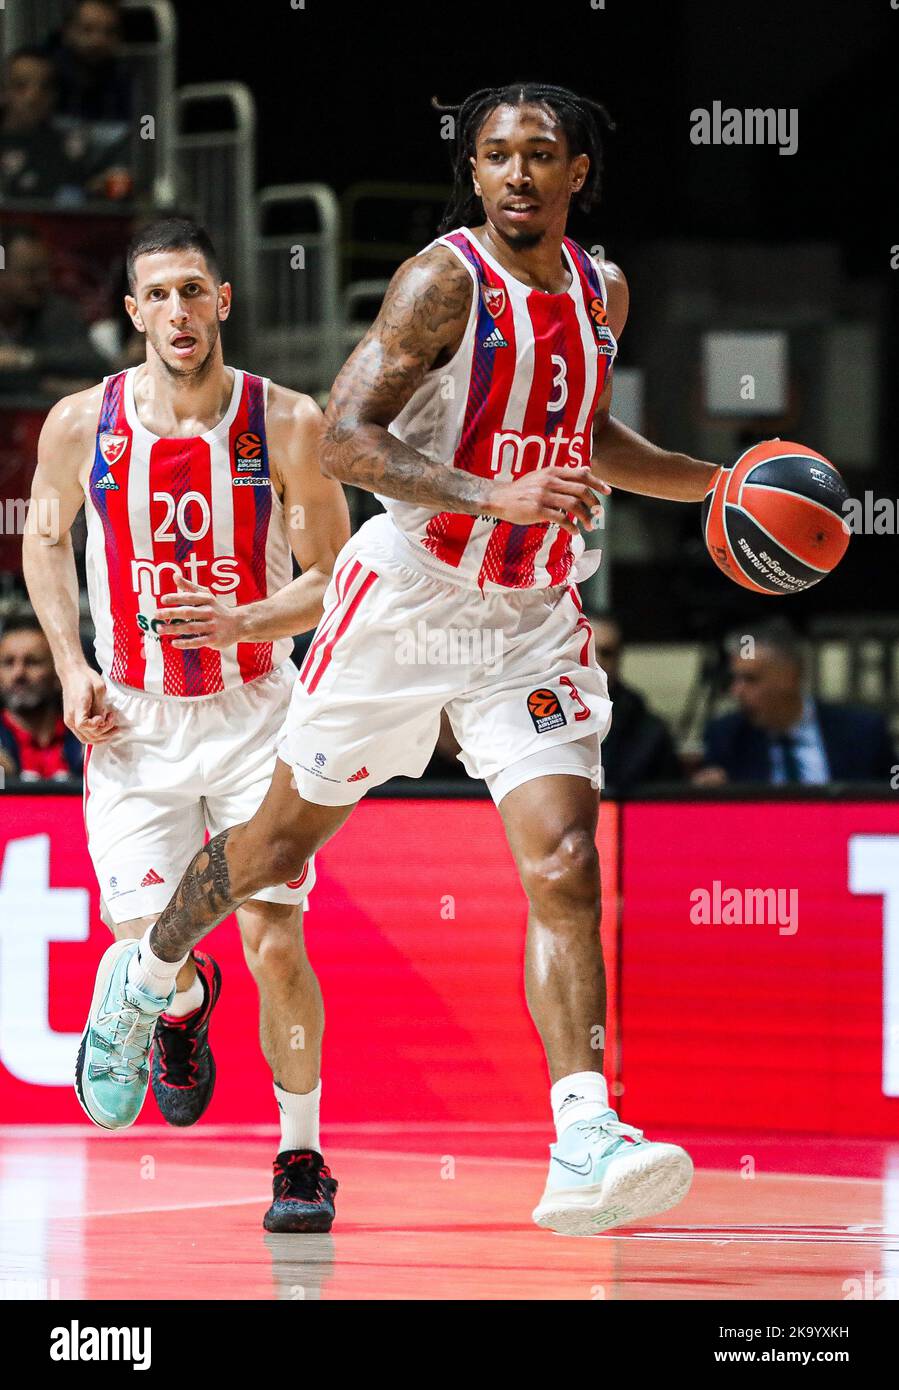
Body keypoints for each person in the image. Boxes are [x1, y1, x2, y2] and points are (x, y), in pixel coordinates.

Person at [73, 83, 723, 1237]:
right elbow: (346, 435)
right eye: (493, 155)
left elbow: (584, 435)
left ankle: (583, 1131)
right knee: (273, 844)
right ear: (470, 174)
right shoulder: (441, 282)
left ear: (580, 171)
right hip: (410, 594)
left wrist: (719, 488)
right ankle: (155, 967)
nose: (515, 172)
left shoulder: (600, 288)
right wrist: (493, 489)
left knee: (566, 857)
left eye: (539, 154)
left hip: (524, 609)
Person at [23, 216, 350, 1233]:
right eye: (157, 294)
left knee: (276, 941)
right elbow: (42, 540)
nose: (178, 310)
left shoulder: (287, 422)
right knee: (142, 955)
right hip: (133, 724)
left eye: (193, 291)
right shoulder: (82, 422)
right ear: (132, 313)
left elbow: (336, 578)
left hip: (257, 714)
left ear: (222, 302)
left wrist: (247, 617)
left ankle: (300, 1157)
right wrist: (72, 666)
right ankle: (181, 1008)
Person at [699, 619, 897, 785]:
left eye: (751, 679)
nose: (737, 691)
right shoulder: (726, 737)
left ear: (792, 676)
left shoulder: (863, 731)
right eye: (735, 679)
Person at [0, 226, 107, 394]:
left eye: (45, 271)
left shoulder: (56, 310)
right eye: (30, 273)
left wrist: (26, 358)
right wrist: (46, 386)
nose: (43, 280)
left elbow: (93, 363)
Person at [591, 615, 682, 790]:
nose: (598, 661)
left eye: (606, 653)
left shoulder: (649, 731)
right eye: (589, 651)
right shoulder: (547, 715)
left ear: (619, 658)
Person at [0, 611, 83, 780]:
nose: (18, 674)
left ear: (59, 672)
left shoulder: (88, 737)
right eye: (8, 663)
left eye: (32, 662)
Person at [0, 48, 90, 203]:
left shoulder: (68, 147)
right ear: (4, 90)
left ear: (55, 95)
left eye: (45, 87)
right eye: (20, 85)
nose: (33, 97)